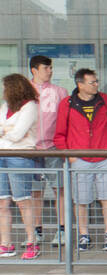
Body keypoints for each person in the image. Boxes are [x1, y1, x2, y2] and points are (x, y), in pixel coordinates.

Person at [53, 68, 107, 253]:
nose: (96, 84)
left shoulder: (106, 100)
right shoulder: (67, 104)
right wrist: (70, 155)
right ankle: (84, 234)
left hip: (104, 157)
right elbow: (60, 134)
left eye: (96, 81)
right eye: (92, 82)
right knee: (81, 200)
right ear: (80, 84)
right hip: (80, 158)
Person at [28, 54, 69, 247]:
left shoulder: (60, 92)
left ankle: (62, 230)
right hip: (30, 150)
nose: (50, 71)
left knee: (59, 189)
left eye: (51, 67)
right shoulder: (24, 91)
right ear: (34, 70)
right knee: (35, 192)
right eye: (46, 68)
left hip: (53, 148)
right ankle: (37, 230)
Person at [0, 74, 42, 260]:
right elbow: (11, 131)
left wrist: (5, 131)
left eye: (5, 88)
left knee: (23, 201)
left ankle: (32, 242)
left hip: (20, 156)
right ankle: (6, 244)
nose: (3, 92)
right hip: (2, 155)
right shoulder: (5, 107)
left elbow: (18, 135)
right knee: (2, 203)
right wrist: (7, 130)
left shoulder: (30, 106)